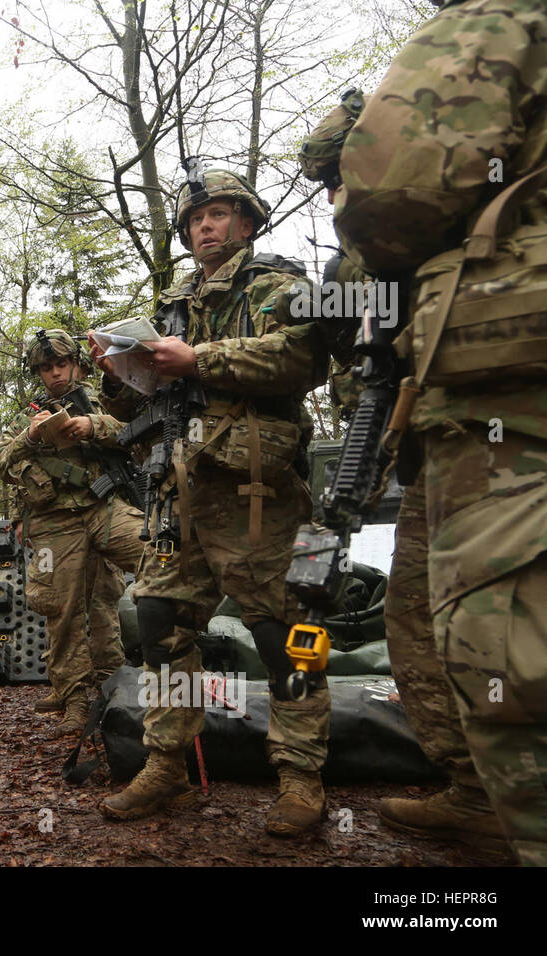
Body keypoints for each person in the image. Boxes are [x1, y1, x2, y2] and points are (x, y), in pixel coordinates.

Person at [336, 0, 547, 865]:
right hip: (455, 406)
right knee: (427, 615)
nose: (207, 228)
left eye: (222, 216)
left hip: (509, 391)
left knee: (506, 644)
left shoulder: (502, 18)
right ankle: (472, 795)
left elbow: (389, 192)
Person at [91, 168, 331, 834]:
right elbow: (143, 400)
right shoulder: (169, 304)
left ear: (248, 224)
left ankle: (301, 777)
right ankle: (166, 762)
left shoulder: (279, 287)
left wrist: (199, 358)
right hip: (179, 492)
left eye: (220, 214)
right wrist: (116, 374)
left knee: (288, 638)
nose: (205, 226)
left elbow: (304, 358)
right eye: (196, 218)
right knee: (163, 627)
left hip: (257, 495)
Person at [300, 89, 502, 847]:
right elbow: (360, 359)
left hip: (498, 443)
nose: (338, 201)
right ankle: (475, 788)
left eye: (348, 181)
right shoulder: (362, 258)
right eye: (330, 188)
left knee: (501, 626)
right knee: (412, 618)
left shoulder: (475, 215)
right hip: (424, 449)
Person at [0, 331, 147, 734]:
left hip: (105, 508)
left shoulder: (101, 399)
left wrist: (92, 425)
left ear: (77, 364)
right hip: (54, 524)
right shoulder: (28, 413)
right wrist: (30, 436)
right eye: (46, 368)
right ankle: (76, 700)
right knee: (61, 613)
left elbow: (136, 431)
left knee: (157, 561)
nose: (56, 373)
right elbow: (0, 461)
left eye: (61, 364)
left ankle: (119, 688)